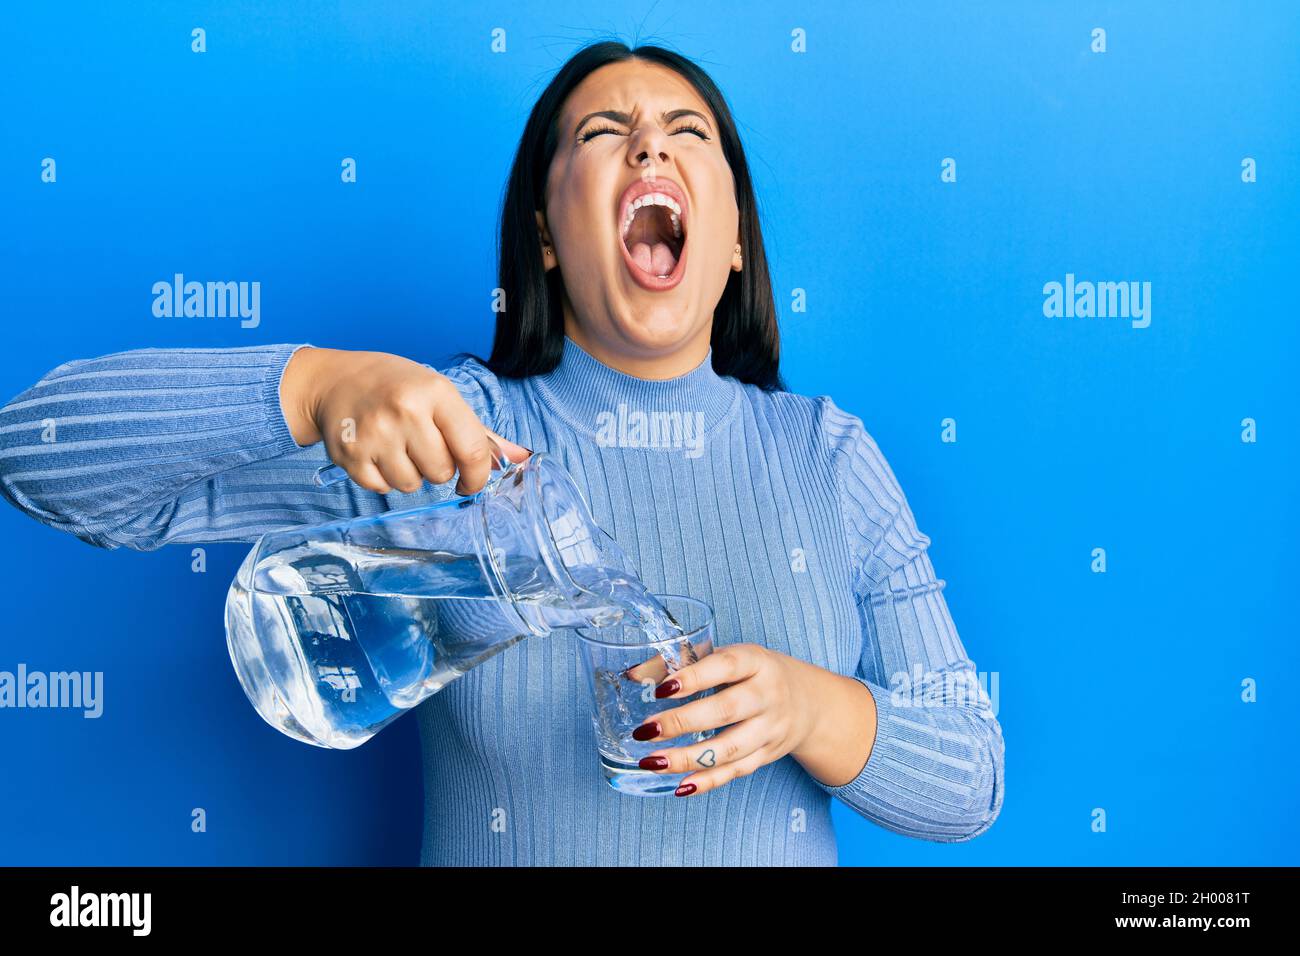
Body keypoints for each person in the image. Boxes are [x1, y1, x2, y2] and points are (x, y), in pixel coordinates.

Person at [0, 41, 1003, 866]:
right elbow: (33, 457)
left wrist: (805, 708)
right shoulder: (449, 435)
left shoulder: (827, 456)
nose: (649, 144)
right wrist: (309, 387)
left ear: (735, 234)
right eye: (603, 133)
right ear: (547, 236)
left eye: (687, 132)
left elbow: (971, 778)